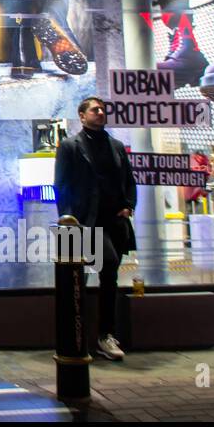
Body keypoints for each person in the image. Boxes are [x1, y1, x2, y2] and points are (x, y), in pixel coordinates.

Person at [54, 96, 137, 362]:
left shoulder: (115, 146)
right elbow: (61, 184)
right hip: (85, 221)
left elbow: (128, 179)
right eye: (95, 109)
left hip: (114, 221)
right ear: (82, 115)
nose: (100, 113)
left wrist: (128, 205)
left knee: (107, 276)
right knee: (107, 264)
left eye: (102, 109)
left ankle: (103, 335)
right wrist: (68, 219)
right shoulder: (70, 146)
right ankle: (93, 335)